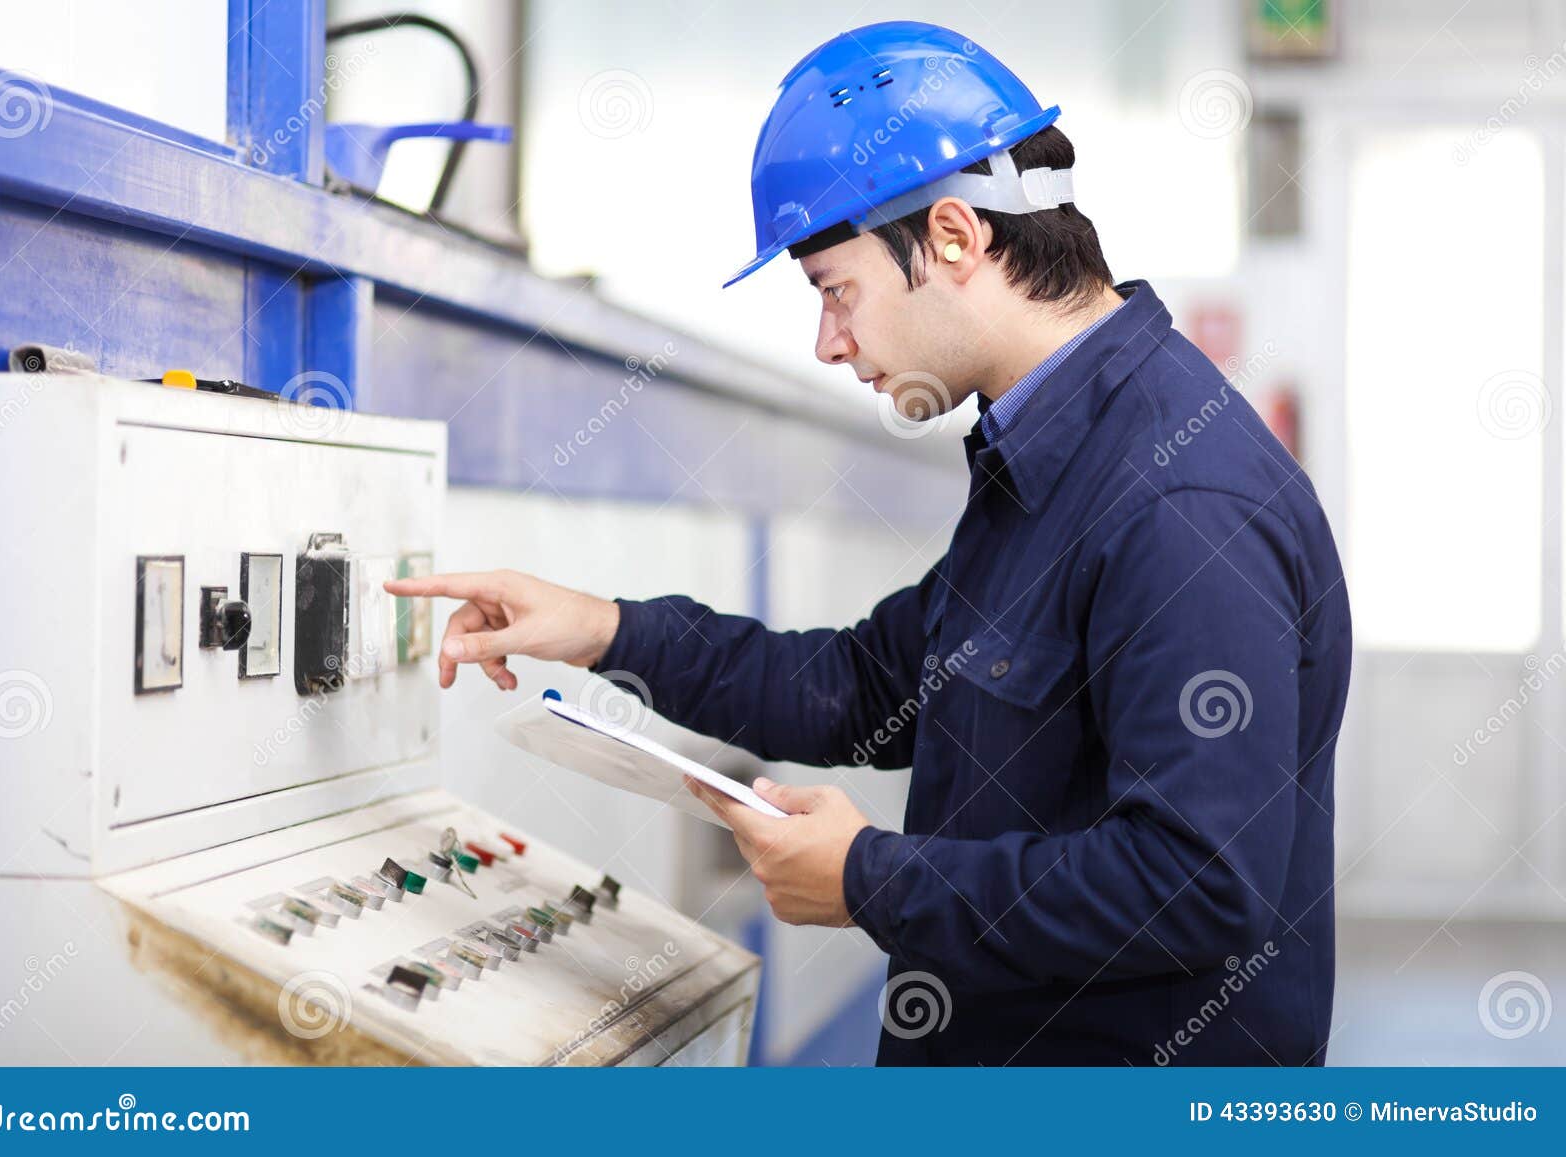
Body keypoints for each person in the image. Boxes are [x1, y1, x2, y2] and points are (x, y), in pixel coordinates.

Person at [385, 20, 1351, 1066]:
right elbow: (862, 684)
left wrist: (866, 877)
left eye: (834, 290)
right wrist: (600, 629)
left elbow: (1197, 883)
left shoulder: (1177, 498)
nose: (828, 342)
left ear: (953, 237)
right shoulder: (1047, 458)